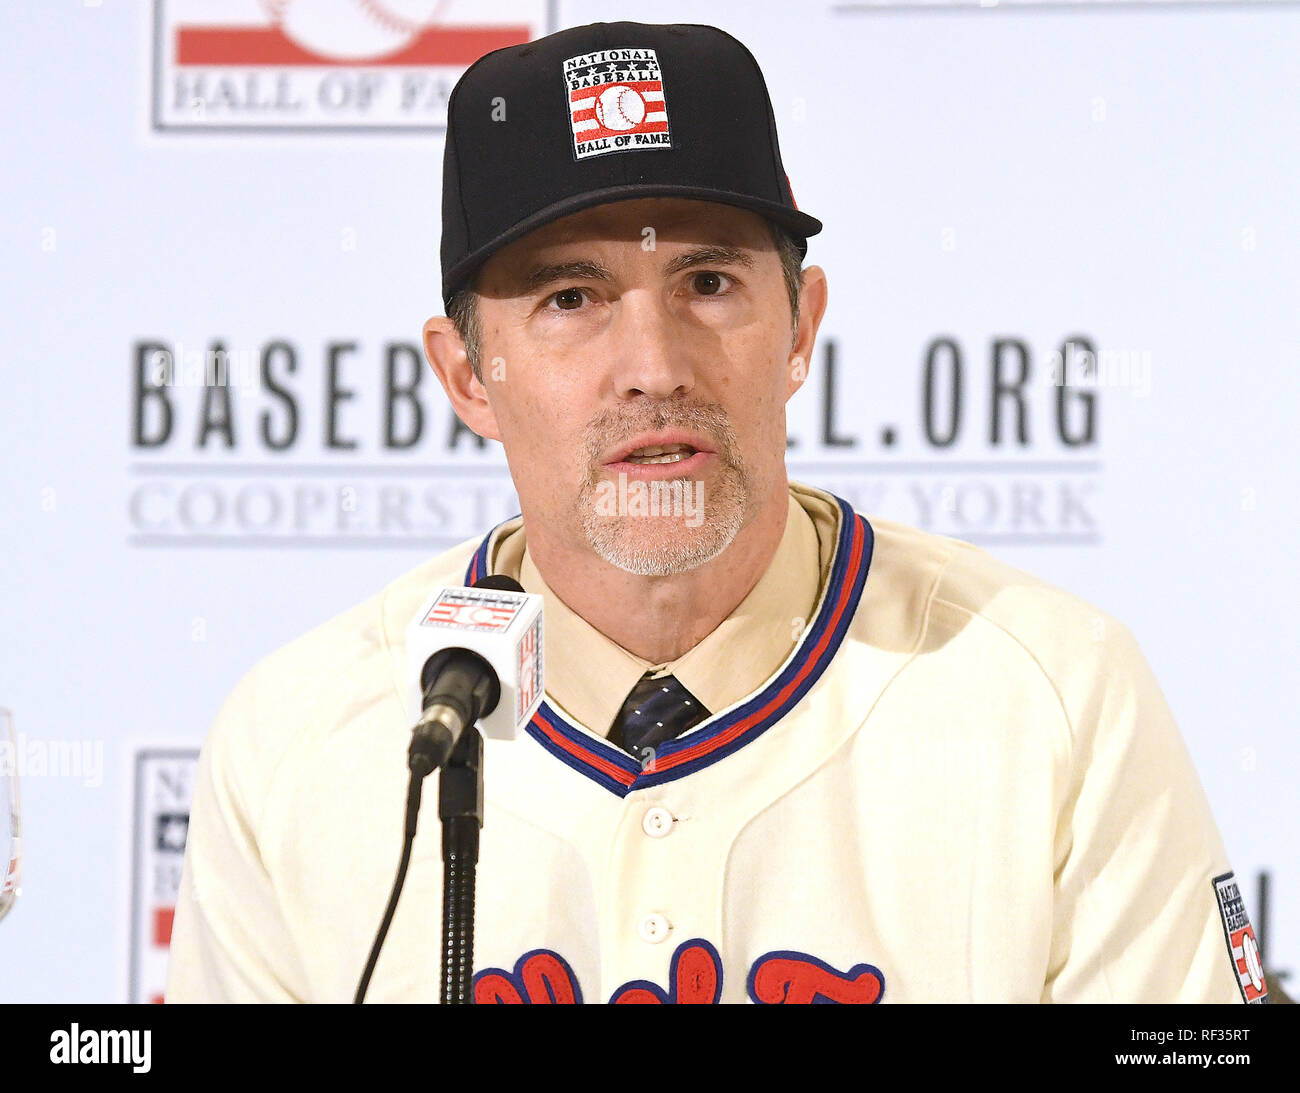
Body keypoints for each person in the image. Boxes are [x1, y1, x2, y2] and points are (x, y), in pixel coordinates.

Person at [166, 20, 1266, 1004]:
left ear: (799, 328)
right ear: (467, 376)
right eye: (570, 298)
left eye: (707, 284)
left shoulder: (1055, 698)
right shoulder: (298, 743)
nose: (652, 367)